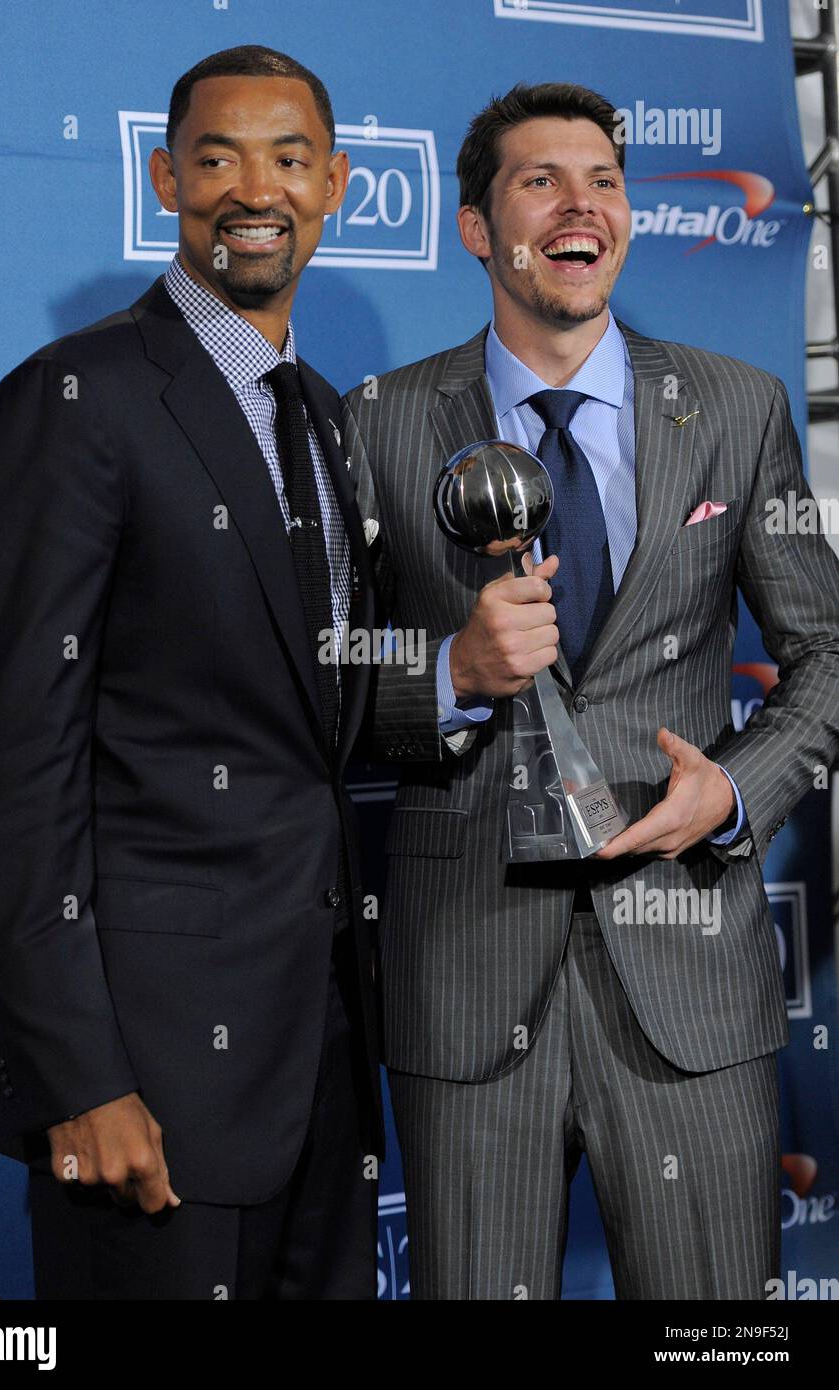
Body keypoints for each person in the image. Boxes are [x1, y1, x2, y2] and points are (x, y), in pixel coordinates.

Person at [342, 81, 839, 1300]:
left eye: (605, 180)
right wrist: (451, 673)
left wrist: (732, 788)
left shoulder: (733, 406)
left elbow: (827, 651)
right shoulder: (380, 423)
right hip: (466, 988)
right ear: (475, 227)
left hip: (690, 991)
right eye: (541, 181)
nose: (583, 205)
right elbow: (321, 673)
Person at [0, 45, 383, 1301]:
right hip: (147, 1085)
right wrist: (73, 1075)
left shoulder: (325, 418)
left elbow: (305, 722)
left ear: (336, 183)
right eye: (218, 155)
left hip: (319, 1075)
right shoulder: (74, 400)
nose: (256, 187)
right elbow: (4, 768)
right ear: (162, 175)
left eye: (289, 158)